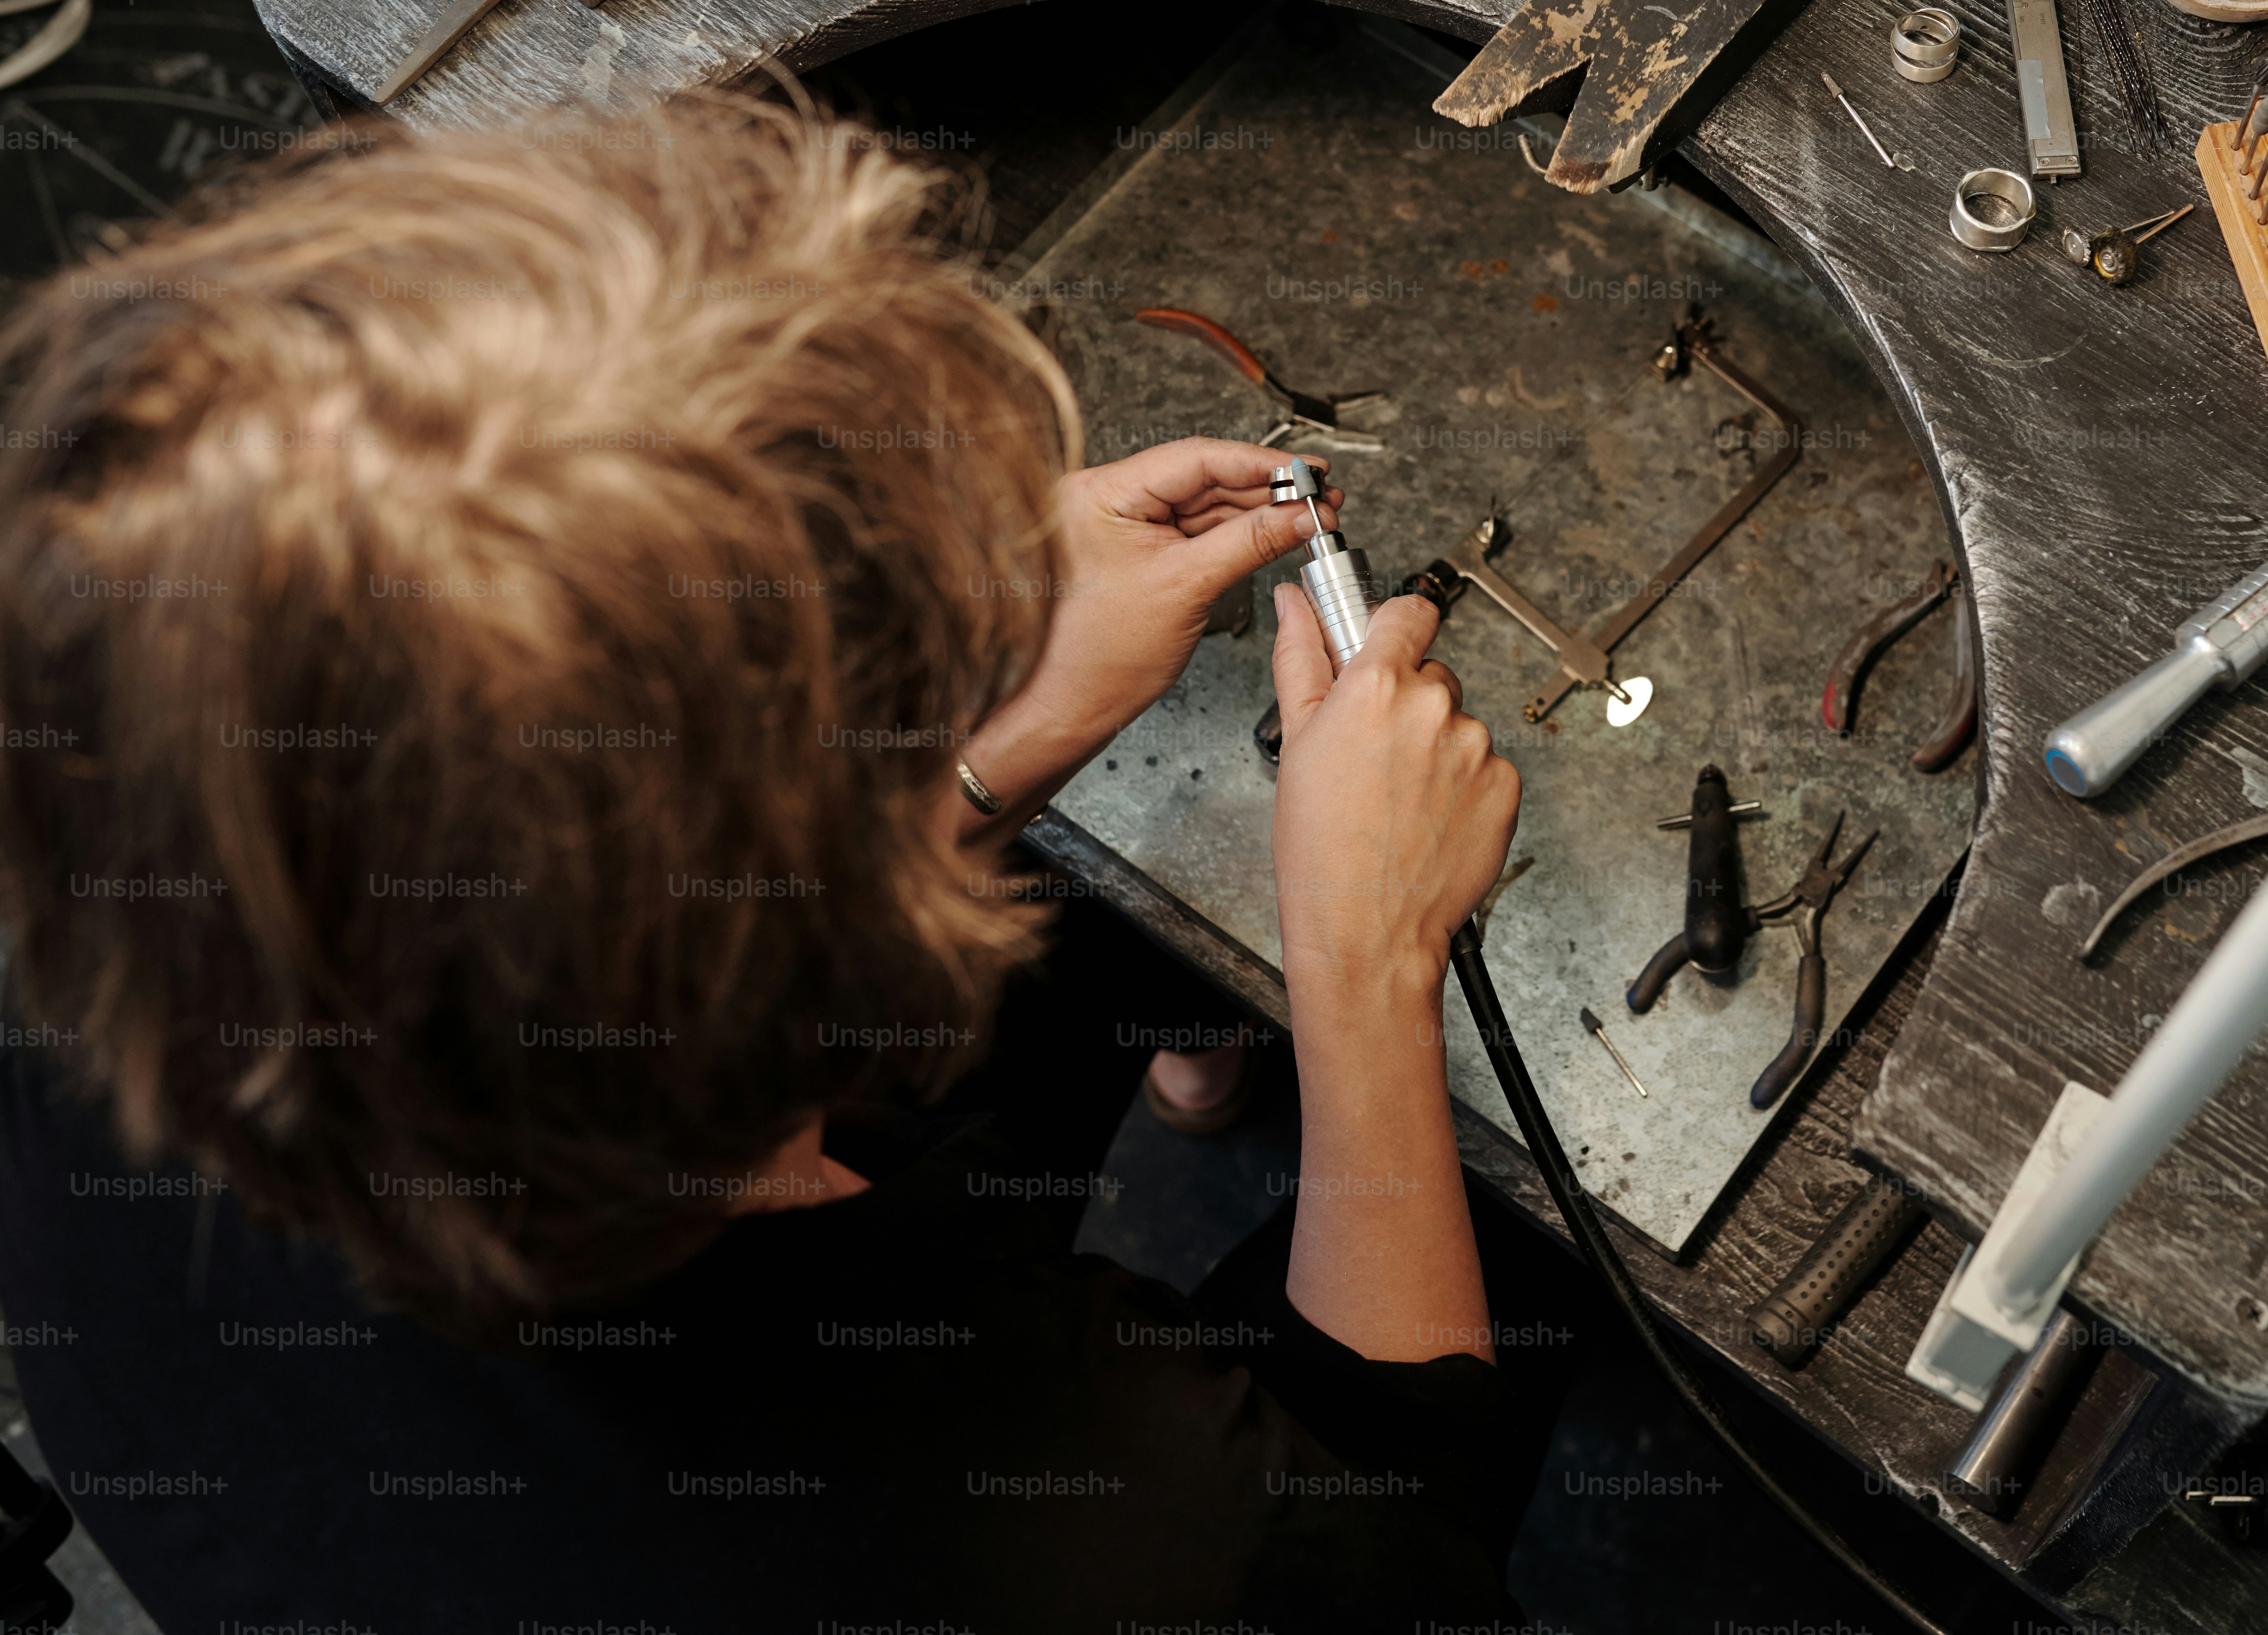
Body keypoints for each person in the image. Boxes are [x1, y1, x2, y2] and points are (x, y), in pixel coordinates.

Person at [0, 97, 1565, 1630]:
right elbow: (1402, 1545)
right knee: (1513, 1234)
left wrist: (972, 738)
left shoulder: (147, 842)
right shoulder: (1105, 1542)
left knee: (1090, 949)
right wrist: (1367, 971)